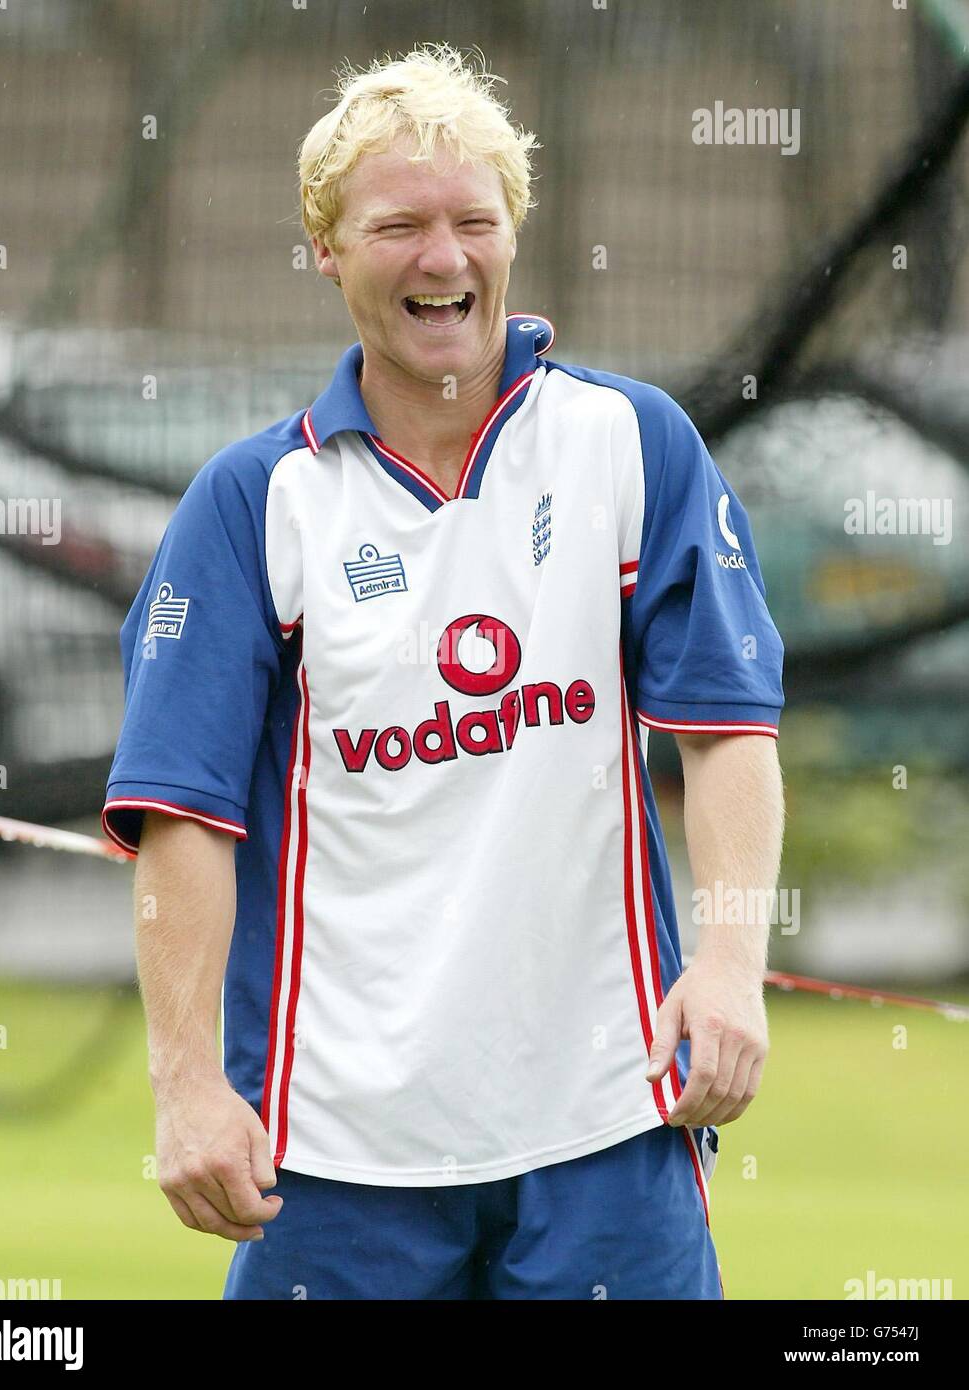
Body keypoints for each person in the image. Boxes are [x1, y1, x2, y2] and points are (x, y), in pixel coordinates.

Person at [102, 42, 785, 1300]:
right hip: (328, 1157)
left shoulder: (630, 443)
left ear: (513, 232)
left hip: (609, 1123)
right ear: (326, 248)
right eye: (397, 225)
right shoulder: (256, 501)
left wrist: (732, 963)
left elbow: (728, 728)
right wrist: (187, 1085)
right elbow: (181, 816)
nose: (442, 257)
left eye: (474, 220)